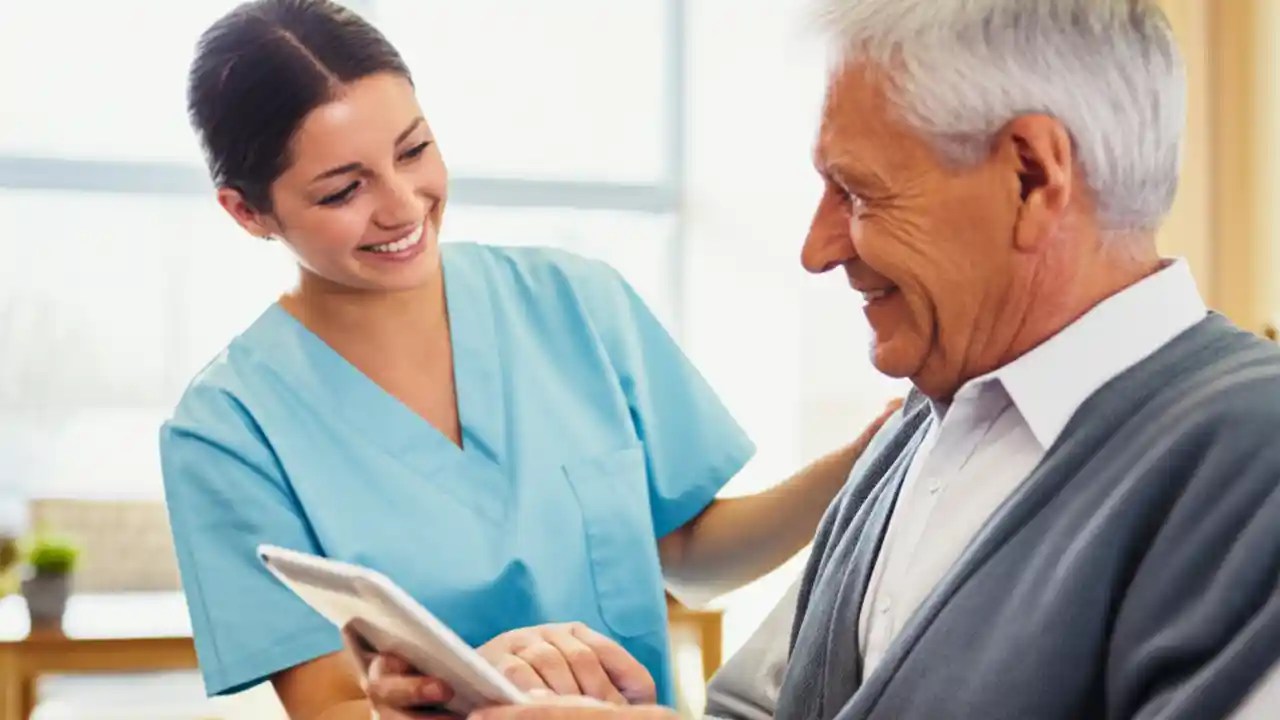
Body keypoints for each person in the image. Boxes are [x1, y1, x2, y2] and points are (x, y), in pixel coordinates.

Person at [449, 0, 1280, 718]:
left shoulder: (1250, 459)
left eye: (858, 193)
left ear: (1031, 176)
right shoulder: (914, 435)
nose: (818, 250)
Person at [159, 0, 899, 717]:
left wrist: (864, 462)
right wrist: (473, 685)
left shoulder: (575, 302)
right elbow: (328, 707)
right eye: (344, 190)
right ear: (247, 212)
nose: (403, 205)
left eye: (414, 151)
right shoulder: (227, 430)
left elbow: (689, 554)